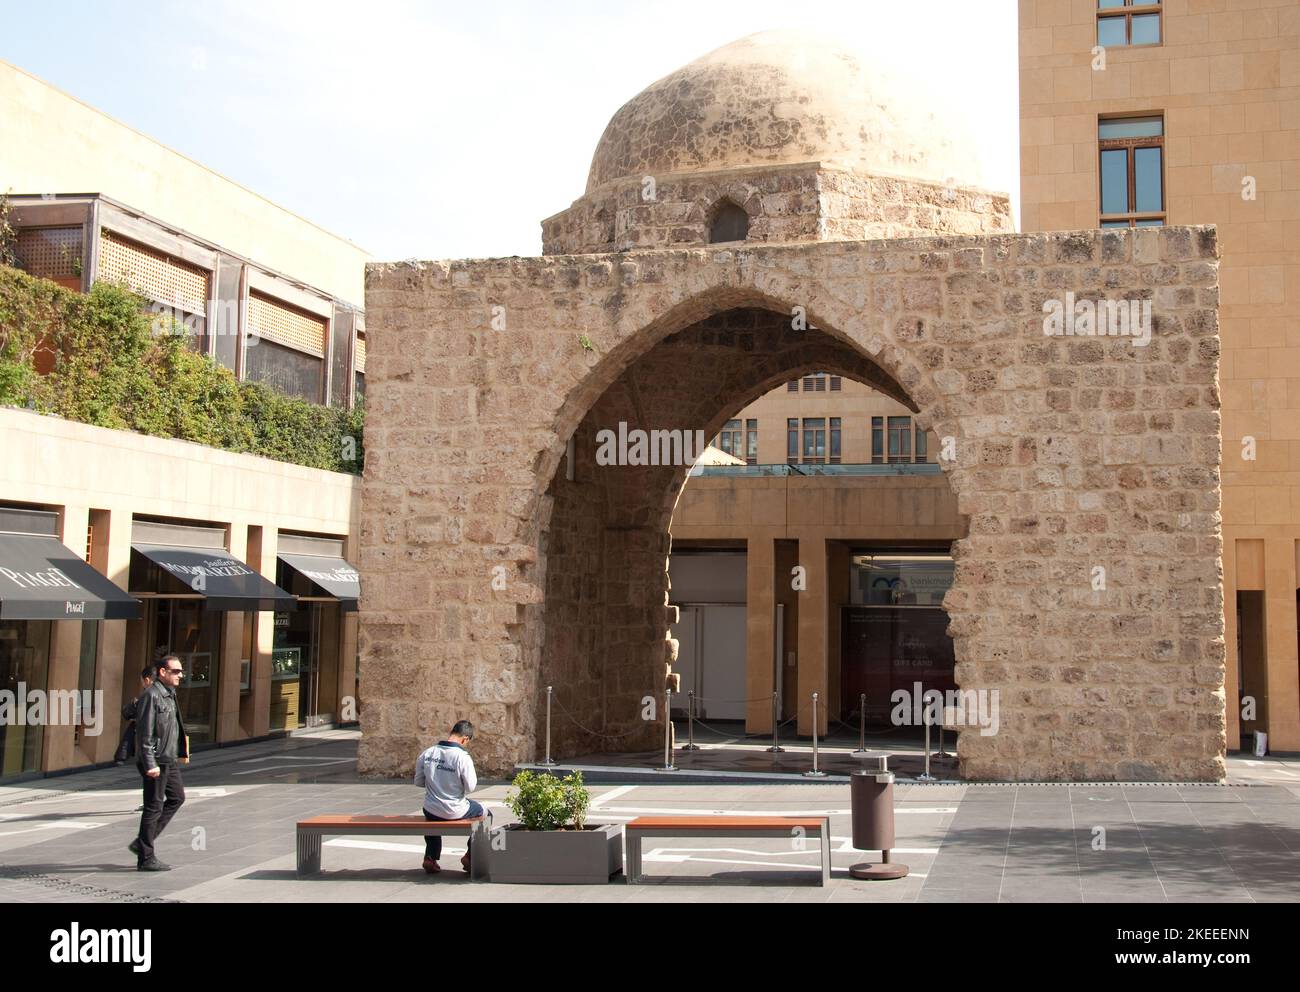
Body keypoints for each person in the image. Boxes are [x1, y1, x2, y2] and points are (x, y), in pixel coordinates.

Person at [129, 655, 189, 871]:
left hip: (168, 758)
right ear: (162, 672)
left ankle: (142, 842)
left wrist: (180, 751)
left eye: (181, 671)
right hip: (156, 760)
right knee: (153, 807)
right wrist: (149, 763)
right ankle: (145, 857)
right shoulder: (151, 696)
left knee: (177, 797)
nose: (180, 675)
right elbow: (144, 734)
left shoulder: (169, 694)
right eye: (176, 671)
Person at [414, 720, 487, 874]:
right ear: (465, 738)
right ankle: (470, 855)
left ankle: (430, 857)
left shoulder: (428, 753)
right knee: (485, 813)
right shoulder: (462, 757)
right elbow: (471, 787)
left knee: (432, 816)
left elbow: (419, 782)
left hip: (431, 808)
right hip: (455, 809)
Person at [114, 666, 155, 765]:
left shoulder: (149, 696)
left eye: (142, 681)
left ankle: (122, 755)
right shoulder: (166, 694)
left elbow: (126, 713)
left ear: (147, 680)